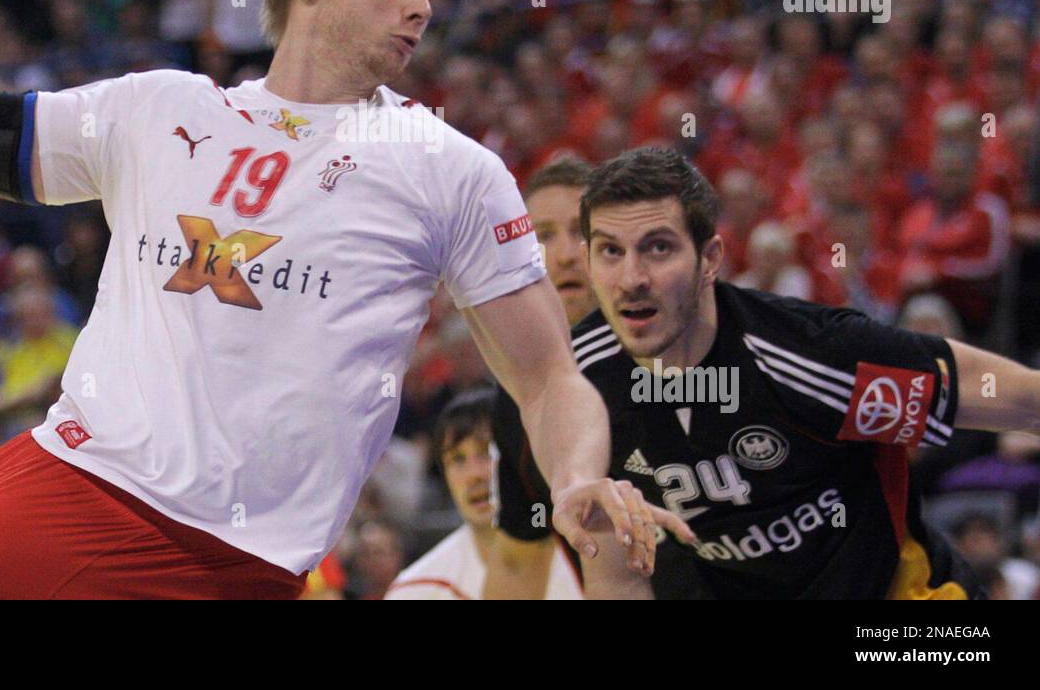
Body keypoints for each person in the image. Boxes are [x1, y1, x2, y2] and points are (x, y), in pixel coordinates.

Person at [0, 0, 686, 599]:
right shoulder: (158, 109)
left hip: (233, 564)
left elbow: (549, 380)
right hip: (73, 485)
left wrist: (577, 479)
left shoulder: (449, 169)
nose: (422, 2)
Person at [497, 146, 1040, 599]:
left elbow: (1014, 397)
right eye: (610, 252)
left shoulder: (810, 354)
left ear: (710, 258)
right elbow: (617, 582)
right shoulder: (577, 380)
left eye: (657, 248)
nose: (631, 278)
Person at [488, 158, 597, 597]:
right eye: (544, 236)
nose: (567, 254)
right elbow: (519, 559)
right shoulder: (518, 392)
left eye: (581, 232)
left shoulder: (679, 363)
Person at [385, 386, 582, 599]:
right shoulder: (414, 590)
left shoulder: (586, 553)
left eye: (487, 452)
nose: (474, 474)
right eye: (457, 459)